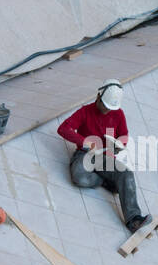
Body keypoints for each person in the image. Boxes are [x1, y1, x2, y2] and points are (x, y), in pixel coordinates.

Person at [57, 79, 151, 233]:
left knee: (126, 173)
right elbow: (63, 128)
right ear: (98, 97)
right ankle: (106, 181)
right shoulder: (85, 112)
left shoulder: (118, 114)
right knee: (80, 178)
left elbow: (124, 135)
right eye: (105, 106)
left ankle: (133, 219)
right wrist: (85, 142)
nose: (107, 111)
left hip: (105, 157)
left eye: (110, 108)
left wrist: (120, 145)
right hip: (85, 153)